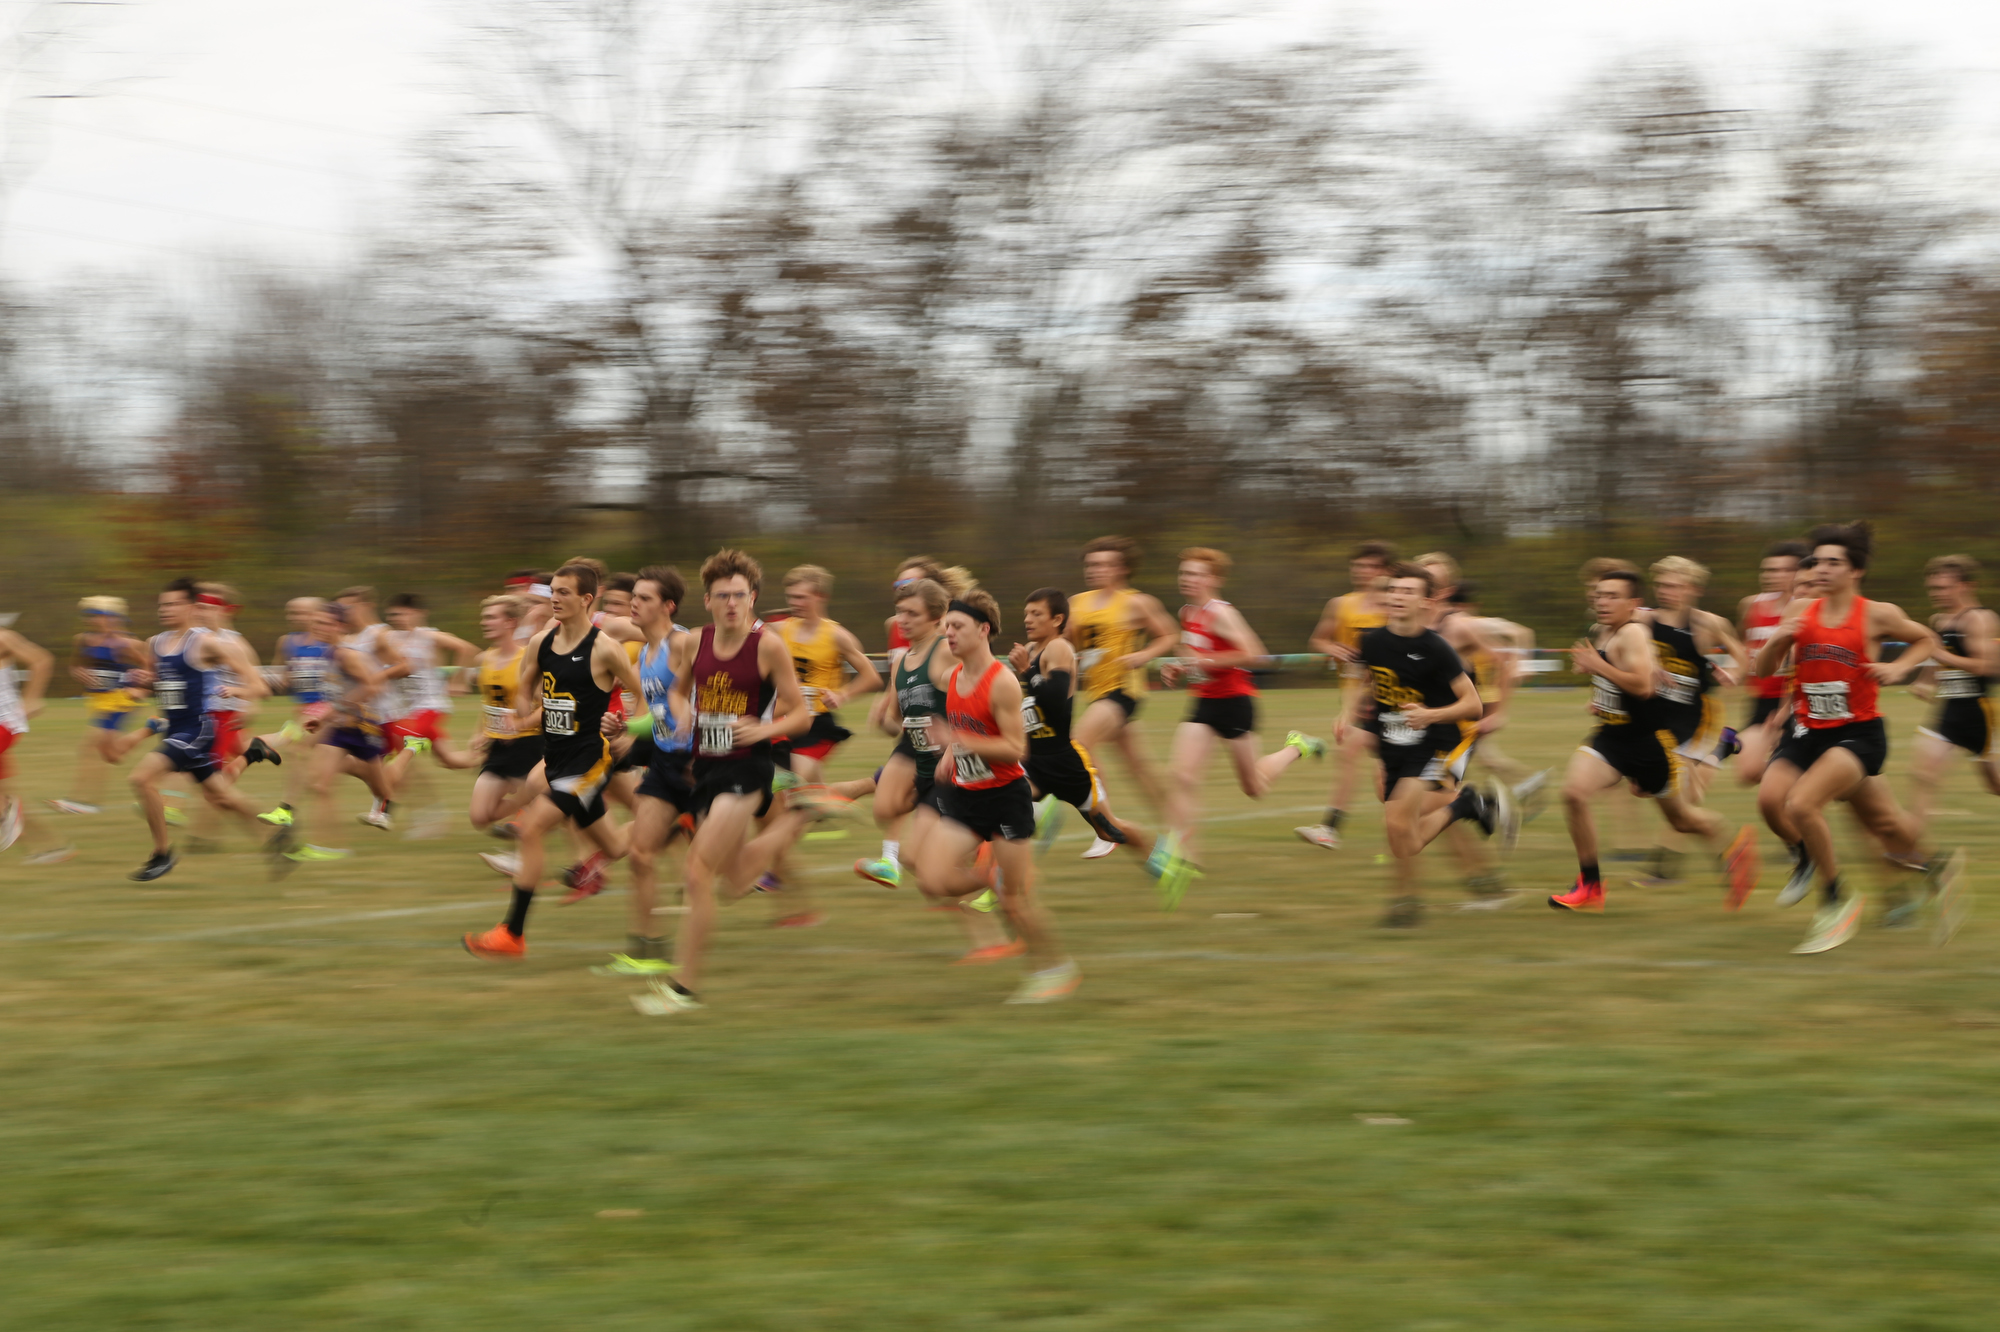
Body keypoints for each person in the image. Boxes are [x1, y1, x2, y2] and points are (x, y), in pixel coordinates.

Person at [1755, 524, 1952, 952]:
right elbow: (1764, 669)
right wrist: (1778, 641)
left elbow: (1926, 639)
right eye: (1817, 561)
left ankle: (1836, 901)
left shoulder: (1876, 613)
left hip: (1857, 735)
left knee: (1804, 804)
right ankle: (1934, 869)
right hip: (1807, 732)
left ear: (1855, 570)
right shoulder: (1799, 613)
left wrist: (1901, 669)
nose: (1821, 569)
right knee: (1782, 800)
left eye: (1833, 562)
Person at [631, 549, 813, 1012]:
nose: (732, 603)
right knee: (733, 883)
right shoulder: (695, 641)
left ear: (752, 598)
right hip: (707, 767)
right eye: (722, 596)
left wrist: (764, 729)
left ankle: (681, 988)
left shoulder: (768, 646)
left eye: (740, 595)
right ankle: (797, 821)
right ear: (708, 601)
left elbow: (802, 715)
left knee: (697, 872)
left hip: (748, 768)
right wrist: (681, 711)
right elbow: (676, 689)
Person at [1548, 569, 1757, 915]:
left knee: (1683, 820)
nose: (1602, 601)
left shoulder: (1633, 633)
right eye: (1599, 595)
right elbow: (1619, 682)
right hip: (1611, 738)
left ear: (1633, 604)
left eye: (1612, 596)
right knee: (1573, 793)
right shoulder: (1600, 631)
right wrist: (1598, 695)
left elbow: (1643, 687)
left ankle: (1734, 850)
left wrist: (1598, 667)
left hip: (1650, 745)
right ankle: (1590, 884)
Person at [464, 563, 646, 960]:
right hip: (556, 757)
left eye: (564, 592)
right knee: (614, 847)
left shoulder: (605, 648)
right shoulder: (542, 642)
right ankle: (671, 817)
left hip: (590, 762)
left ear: (586, 599)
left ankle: (512, 933)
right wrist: (521, 711)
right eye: (553, 591)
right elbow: (526, 683)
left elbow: (640, 694)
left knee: (531, 829)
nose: (555, 599)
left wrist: (628, 731)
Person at [915, 589, 1081, 1004]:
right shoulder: (954, 677)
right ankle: (988, 876)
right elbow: (964, 729)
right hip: (967, 798)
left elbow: (1015, 749)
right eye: (946, 626)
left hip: (1006, 797)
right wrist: (951, 754)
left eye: (957, 626)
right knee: (932, 878)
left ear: (983, 629)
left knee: (1015, 903)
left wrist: (958, 738)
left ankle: (1055, 969)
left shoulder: (1002, 682)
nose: (948, 633)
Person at [1339, 564, 1505, 928]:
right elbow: (1359, 674)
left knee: (1399, 821)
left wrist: (1430, 715)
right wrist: (1345, 713)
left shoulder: (1436, 648)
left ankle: (1404, 901)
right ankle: (1463, 807)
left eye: (1408, 591)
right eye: (1394, 590)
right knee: (1401, 834)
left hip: (1436, 742)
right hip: (1392, 742)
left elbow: (1472, 705)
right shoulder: (1371, 640)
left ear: (1426, 602)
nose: (1398, 596)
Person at [1159, 547, 1325, 892]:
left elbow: (1254, 653)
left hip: (1236, 703)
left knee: (1254, 788)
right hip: (1203, 703)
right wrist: (1179, 666)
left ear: (1214, 580)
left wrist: (1205, 663)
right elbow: (1194, 654)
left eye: (1195, 574)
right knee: (1181, 776)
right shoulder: (1187, 612)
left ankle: (1297, 746)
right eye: (1183, 573)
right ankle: (1182, 854)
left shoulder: (1221, 613)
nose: (1187, 579)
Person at [125, 578, 280, 881]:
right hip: (175, 729)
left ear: (191, 607)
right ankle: (275, 836)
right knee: (221, 797)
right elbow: (162, 683)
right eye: (161, 604)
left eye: (172, 604)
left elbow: (257, 684)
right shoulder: (155, 642)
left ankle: (161, 855)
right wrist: (142, 682)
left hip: (197, 729)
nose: (164, 610)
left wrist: (236, 690)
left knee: (140, 779)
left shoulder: (207, 643)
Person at [755, 565, 881, 921]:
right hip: (783, 723)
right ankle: (794, 905)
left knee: (795, 786)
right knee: (771, 813)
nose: (795, 602)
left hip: (818, 726)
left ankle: (828, 799)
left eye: (802, 596)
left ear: (820, 597)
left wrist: (843, 693)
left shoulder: (837, 636)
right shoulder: (779, 629)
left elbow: (871, 676)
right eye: (791, 596)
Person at [1007, 587, 1161, 877]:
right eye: (1026, 613)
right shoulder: (1029, 652)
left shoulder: (1059, 648)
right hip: (1034, 761)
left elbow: (1054, 704)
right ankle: (1000, 886)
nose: (1028, 619)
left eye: (1036, 614)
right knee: (1003, 811)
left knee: (1109, 829)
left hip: (1066, 763)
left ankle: (1163, 857)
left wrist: (1026, 672)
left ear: (1057, 620)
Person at [595, 565, 695, 976]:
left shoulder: (683, 644)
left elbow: (715, 694)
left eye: (644, 598)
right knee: (639, 855)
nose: (634, 603)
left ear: (667, 606)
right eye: (633, 596)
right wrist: (622, 727)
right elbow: (654, 717)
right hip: (664, 761)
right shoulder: (645, 656)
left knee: (731, 873)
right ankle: (646, 950)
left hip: (700, 764)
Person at [1634, 557, 1748, 882]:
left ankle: (1667, 868)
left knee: (1681, 796)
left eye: (1674, 586)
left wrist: (1734, 674)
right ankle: (1722, 750)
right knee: (1671, 795)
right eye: (1661, 585)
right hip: (1660, 715)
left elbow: (1740, 654)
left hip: (1698, 716)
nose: (1666, 592)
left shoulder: (1708, 623)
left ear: (1693, 589)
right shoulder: (1644, 621)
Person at [1067, 537, 1179, 848]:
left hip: (1124, 692)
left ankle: (1106, 824)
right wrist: (1069, 657)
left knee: (1079, 744)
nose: (1095, 570)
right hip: (1096, 692)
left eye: (1103, 564)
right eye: (1091, 564)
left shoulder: (1137, 602)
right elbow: (1065, 642)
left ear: (1122, 569)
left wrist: (1144, 656)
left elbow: (1169, 634)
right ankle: (1176, 825)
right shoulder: (1077, 602)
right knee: (1139, 768)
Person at [1297, 540, 1395, 850]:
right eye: (1359, 566)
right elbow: (1317, 639)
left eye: (1371, 566)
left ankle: (1466, 807)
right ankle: (1330, 829)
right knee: (1370, 771)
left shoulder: (1395, 606)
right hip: (1356, 697)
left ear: (1387, 571)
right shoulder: (1340, 605)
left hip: (1390, 701)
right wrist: (1330, 647)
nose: (1363, 572)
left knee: (1381, 779)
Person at [284, 601, 398, 865]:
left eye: (325, 623)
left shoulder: (348, 655)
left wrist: (339, 708)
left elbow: (373, 687)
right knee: (319, 784)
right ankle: (326, 845)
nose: (319, 628)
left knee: (383, 789)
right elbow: (334, 693)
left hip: (363, 728)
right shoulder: (327, 654)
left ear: (340, 626)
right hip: (337, 729)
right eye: (316, 623)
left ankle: (390, 797)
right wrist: (322, 718)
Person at [1906, 555, 2000, 832]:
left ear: (1965, 586)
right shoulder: (1939, 619)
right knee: (1923, 774)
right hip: (1949, 711)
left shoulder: (1980, 619)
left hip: (1978, 713)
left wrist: (1936, 652)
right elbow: (1939, 659)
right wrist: (1926, 680)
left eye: (1943, 588)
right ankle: (1911, 847)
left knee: (1995, 784)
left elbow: (1986, 666)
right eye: (1933, 589)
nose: (1936, 594)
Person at [438, 594, 544, 841]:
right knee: (480, 817)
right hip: (497, 746)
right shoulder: (484, 659)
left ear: (509, 622)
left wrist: (520, 724)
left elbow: (548, 707)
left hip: (529, 744)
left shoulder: (529, 658)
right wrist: (480, 733)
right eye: (484, 617)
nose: (484, 622)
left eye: (490, 618)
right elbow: (488, 704)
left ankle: (527, 827)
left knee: (532, 825)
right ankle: (530, 803)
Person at [374, 593, 479, 830]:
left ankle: (384, 812)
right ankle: (492, 757)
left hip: (431, 705)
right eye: (392, 614)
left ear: (417, 614)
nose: (396, 618)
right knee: (451, 760)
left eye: (401, 613)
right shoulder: (387, 638)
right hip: (405, 711)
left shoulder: (428, 636)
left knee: (400, 746)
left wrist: (459, 679)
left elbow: (466, 648)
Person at [50, 596, 147, 815]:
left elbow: (151, 667)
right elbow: (74, 666)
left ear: (113, 618)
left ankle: (85, 801)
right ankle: (150, 729)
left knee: (89, 747)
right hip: (99, 701)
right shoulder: (82, 640)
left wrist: (139, 689)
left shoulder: (127, 643)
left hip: (121, 700)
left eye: (97, 615)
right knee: (112, 755)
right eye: (89, 615)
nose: (92, 620)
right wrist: (80, 674)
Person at [1728, 541, 1809, 784]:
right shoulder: (1750, 604)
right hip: (1760, 702)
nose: (1772, 576)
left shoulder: (1805, 610)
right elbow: (1745, 645)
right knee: (1748, 771)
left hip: (1796, 702)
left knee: (1781, 781)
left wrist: (1786, 710)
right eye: (1768, 570)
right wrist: (1736, 671)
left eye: (1783, 570)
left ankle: (1808, 785)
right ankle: (1806, 780)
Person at [331, 587, 411, 831]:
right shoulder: (343, 638)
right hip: (355, 712)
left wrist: (376, 676)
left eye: (348, 608)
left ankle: (382, 809)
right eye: (339, 609)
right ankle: (383, 805)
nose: (343, 613)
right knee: (361, 763)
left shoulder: (377, 634)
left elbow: (405, 665)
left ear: (364, 606)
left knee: (374, 762)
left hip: (382, 712)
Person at [0, 621, 72, 864]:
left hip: (6, 723)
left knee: (6, 802)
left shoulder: (3, 638)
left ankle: (7, 809)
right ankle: (50, 848)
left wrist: (32, 700)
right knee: (6, 792)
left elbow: (42, 660)